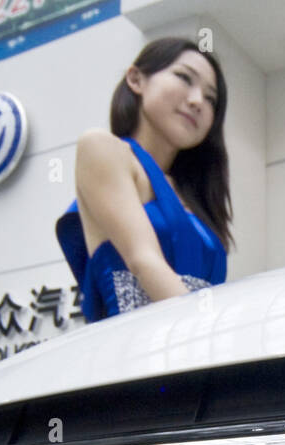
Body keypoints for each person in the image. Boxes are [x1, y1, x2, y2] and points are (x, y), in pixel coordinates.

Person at [56, 37, 232, 322]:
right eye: (184, 78)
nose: (197, 101)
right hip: (139, 354)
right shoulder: (102, 148)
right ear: (136, 79)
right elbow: (143, 260)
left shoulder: (195, 195)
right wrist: (207, 336)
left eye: (211, 98)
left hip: (200, 347)